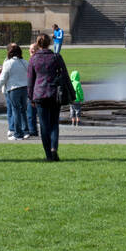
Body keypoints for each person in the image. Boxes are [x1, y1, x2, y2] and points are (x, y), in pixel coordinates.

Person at [26, 33, 75, 161]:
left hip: (39, 94)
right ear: (49, 43)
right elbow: (65, 76)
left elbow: (30, 81)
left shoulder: (33, 59)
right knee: (54, 123)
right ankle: (54, 148)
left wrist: (30, 97)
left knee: (43, 125)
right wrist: (72, 93)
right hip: (54, 93)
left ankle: (48, 154)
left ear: (38, 44)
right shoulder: (56, 57)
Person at [0, 43, 29, 140]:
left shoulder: (8, 63)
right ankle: (25, 131)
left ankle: (18, 134)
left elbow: (2, 78)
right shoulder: (24, 62)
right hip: (24, 88)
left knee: (15, 111)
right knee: (23, 111)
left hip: (14, 89)